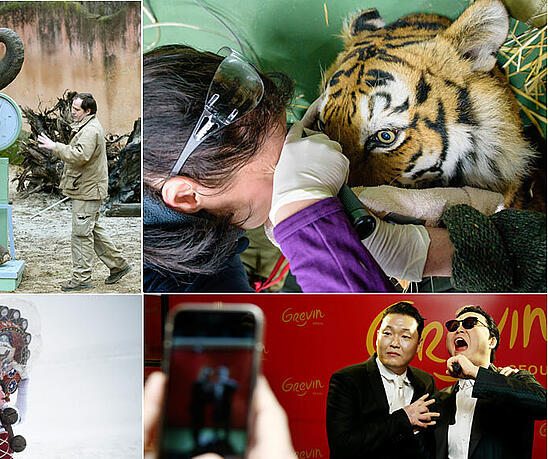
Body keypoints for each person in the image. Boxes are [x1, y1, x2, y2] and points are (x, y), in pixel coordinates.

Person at [142, 45, 456, 293]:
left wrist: (406, 250)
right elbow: (364, 333)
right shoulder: (200, 294)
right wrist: (305, 219)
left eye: (289, 132)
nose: (294, 156)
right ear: (185, 195)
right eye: (277, 166)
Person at [37, 92, 131, 291]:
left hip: (88, 190)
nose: (72, 112)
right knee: (91, 228)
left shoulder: (90, 131)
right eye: (72, 108)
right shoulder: (88, 126)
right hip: (87, 188)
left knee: (80, 235)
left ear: (88, 111)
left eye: (76, 109)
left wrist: (55, 147)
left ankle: (81, 278)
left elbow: (80, 155)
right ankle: (118, 265)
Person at [326, 302, 438, 458]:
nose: (394, 343)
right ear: (377, 336)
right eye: (387, 333)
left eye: (405, 336)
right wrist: (403, 419)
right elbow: (342, 445)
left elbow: (430, 442)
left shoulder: (425, 382)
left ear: (419, 344)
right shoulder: (347, 380)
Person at [433, 305, 547, 458]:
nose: (458, 330)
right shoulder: (440, 398)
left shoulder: (514, 379)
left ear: (491, 341)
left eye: (470, 323)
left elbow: (543, 404)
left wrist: (476, 373)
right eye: (453, 326)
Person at [144, 371, 297, 459]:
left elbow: (231, 388)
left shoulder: (226, 384)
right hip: (199, 412)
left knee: (223, 430)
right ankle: (198, 444)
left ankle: (221, 443)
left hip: (224, 412)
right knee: (198, 430)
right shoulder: (201, 384)